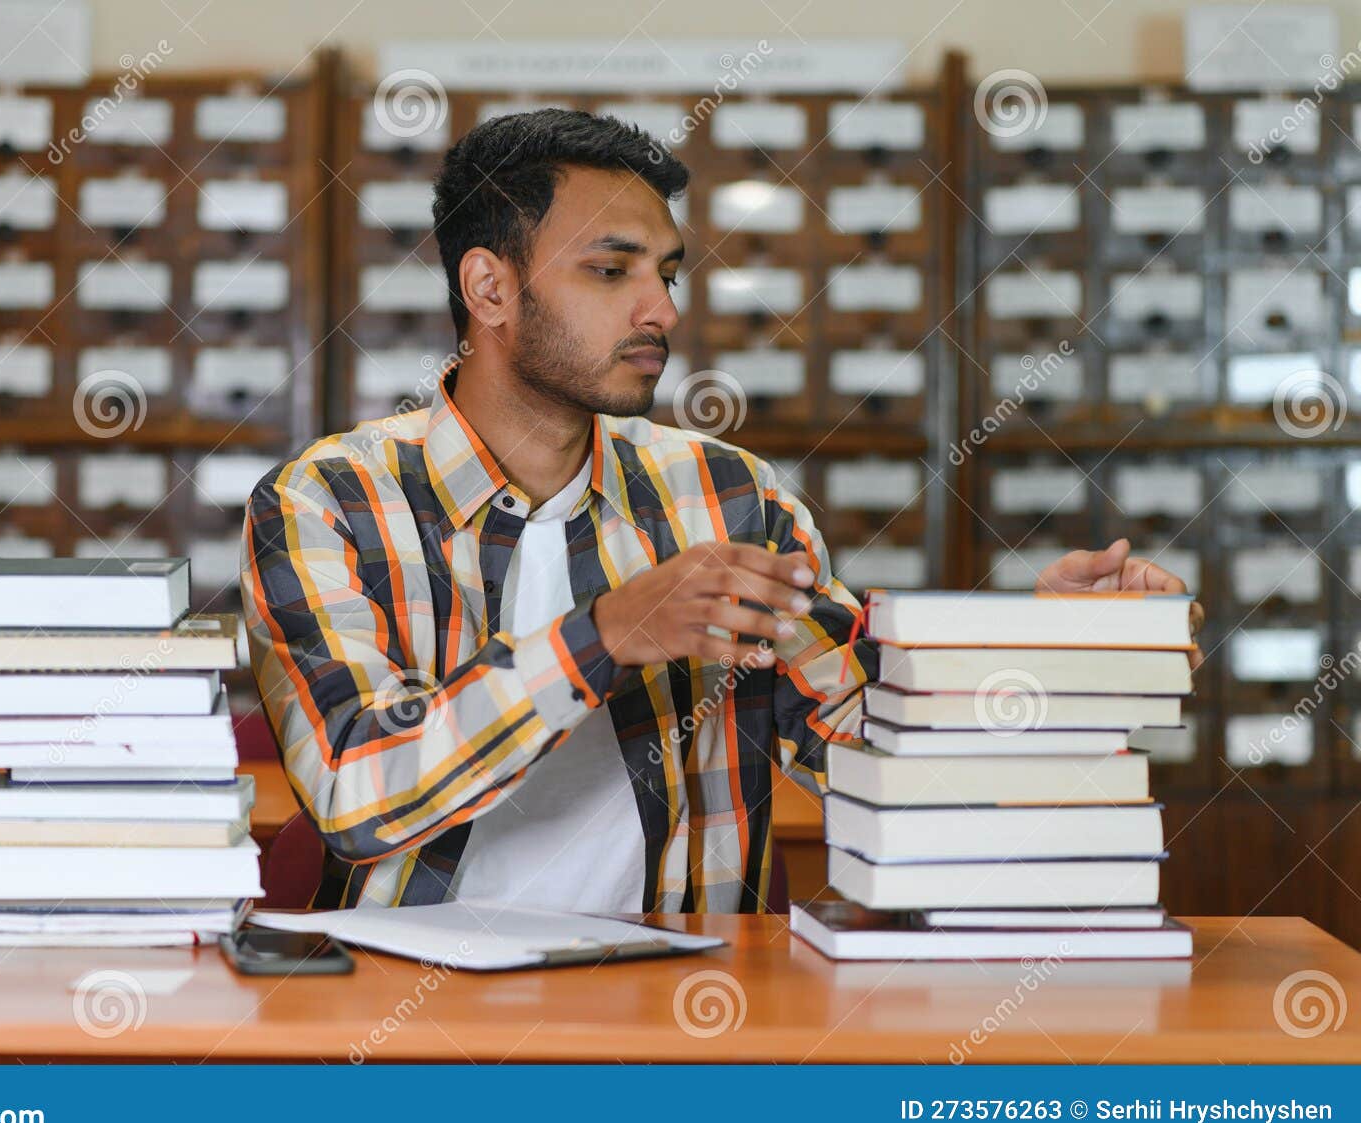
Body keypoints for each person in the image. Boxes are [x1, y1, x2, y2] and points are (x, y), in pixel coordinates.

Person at [239, 108, 1204, 913]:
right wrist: (607, 632)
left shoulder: (731, 498)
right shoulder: (328, 502)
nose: (661, 310)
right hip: (410, 1033)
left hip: (683, 1023)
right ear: (489, 287)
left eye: (668, 271)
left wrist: (1059, 660)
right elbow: (356, 792)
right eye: (612, 271)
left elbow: (869, 743)